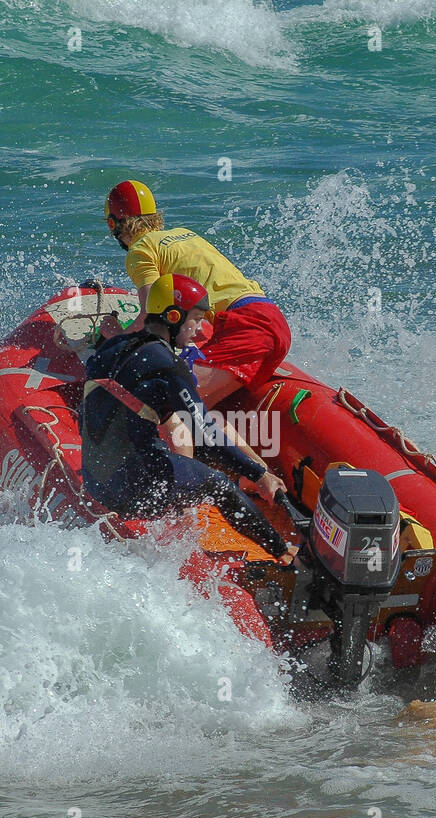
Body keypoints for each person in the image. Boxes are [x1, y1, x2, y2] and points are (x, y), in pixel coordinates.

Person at [81, 273, 299, 565]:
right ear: (173, 316)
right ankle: (281, 551)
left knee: (174, 452)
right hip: (132, 491)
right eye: (195, 319)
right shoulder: (169, 366)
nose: (198, 330)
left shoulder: (111, 348)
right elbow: (207, 435)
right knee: (218, 484)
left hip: (96, 481)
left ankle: (183, 510)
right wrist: (260, 475)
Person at [103, 179, 292, 408]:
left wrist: (114, 336)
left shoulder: (140, 250)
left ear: (114, 224)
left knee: (172, 407)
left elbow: (149, 317)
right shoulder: (185, 234)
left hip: (247, 327)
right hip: (273, 319)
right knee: (205, 411)